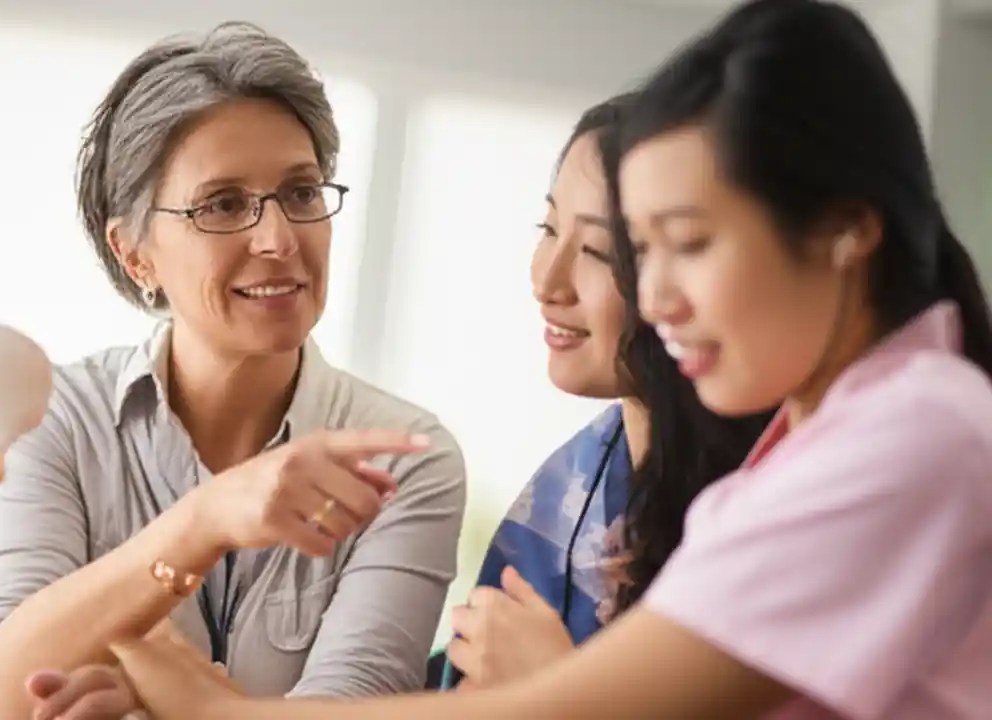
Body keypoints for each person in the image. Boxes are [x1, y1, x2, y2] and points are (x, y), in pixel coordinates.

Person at [98, 1, 992, 717]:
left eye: (685, 245)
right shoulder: (811, 449)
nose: (660, 297)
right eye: (641, 251)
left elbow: (573, 706)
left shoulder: (913, 435)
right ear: (135, 254)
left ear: (845, 230)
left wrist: (210, 706)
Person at [0, 21, 467, 720]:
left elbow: (350, 709)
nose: (278, 238)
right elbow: (1, 698)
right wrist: (205, 521)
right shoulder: (53, 416)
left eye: (302, 193)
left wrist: (165, 701)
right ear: (136, 253)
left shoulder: (404, 457)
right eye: (223, 204)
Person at [436, 96, 770, 690]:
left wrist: (557, 689)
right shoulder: (570, 485)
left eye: (598, 251)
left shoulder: (775, 500)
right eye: (548, 228)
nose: (546, 281)